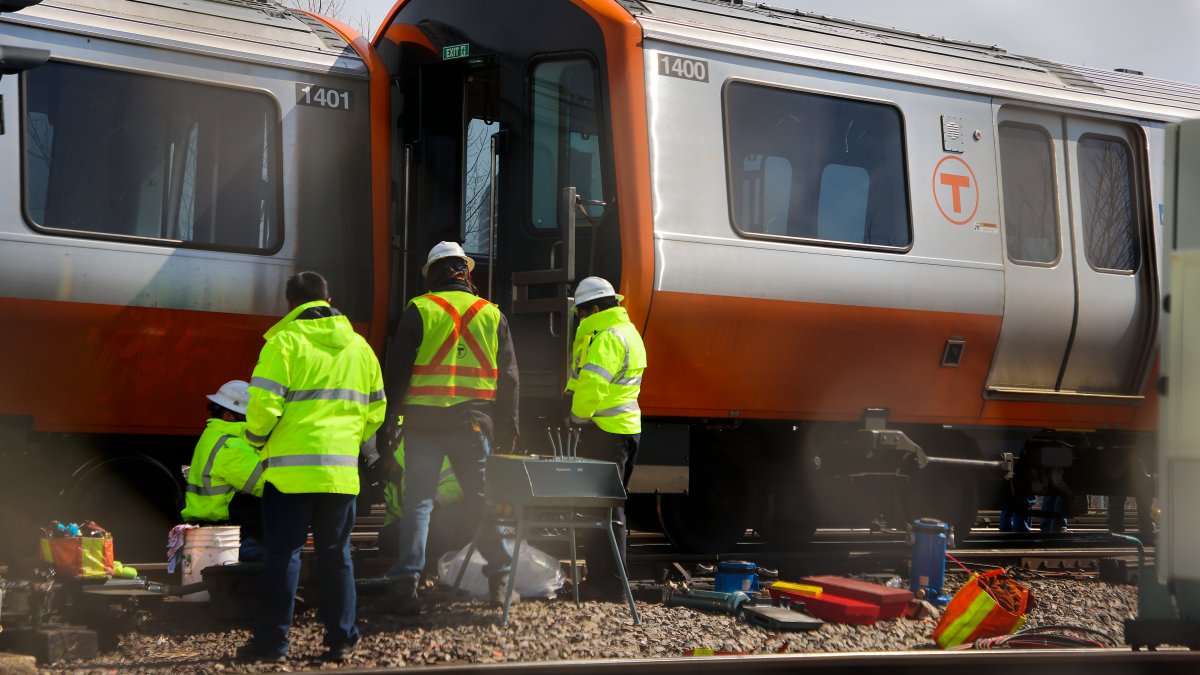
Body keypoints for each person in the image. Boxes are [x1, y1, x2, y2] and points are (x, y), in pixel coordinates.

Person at [235, 271, 385, 664]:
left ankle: (274, 644)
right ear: (328, 297)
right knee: (337, 555)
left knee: (284, 555)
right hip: (339, 475)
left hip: (289, 476)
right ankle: (342, 641)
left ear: (290, 303)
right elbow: (376, 412)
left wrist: (255, 442)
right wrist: (347, 443)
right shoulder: (359, 347)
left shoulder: (283, 343)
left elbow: (263, 408)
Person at [376, 241, 519, 615]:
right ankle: (501, 580)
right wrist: (509, 426)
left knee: (417, 505)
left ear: (434, 273)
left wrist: (389, 423)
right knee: (483, 502)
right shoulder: (492, 314)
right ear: (465, 272)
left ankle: (406, 586)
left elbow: (397, 373)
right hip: (473, 424)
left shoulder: (419, 309)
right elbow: (509, 377)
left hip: (424, 423)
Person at [565, 276, 646, 601]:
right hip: (625, 431)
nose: (581, 320)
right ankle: (606, 582)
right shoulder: (628, 332)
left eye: (582, 313)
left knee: (604, 512)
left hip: (606, 434)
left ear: (595, 308)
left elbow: (593, 386)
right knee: (607, 509)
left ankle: (608, 585)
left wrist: (575, 417)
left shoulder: (607, 337)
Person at [180, 379, 267, 561]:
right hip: (232, 535)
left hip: (210, 530)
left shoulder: (211, 435)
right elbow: (265, 485)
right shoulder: (232, 446)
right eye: (247, 415)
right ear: (228, 415)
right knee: (284, 556)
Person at [376, 437, 469, 575]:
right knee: (386, 537)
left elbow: (456, 487)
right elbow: (392, 517)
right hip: (419, 524)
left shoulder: (419, 456)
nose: (384, 468)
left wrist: (432, 506)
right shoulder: (391, 482)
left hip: (439, 518)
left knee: (445, 517)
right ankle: (423, 554)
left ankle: (436, 556)